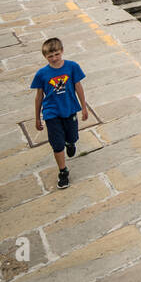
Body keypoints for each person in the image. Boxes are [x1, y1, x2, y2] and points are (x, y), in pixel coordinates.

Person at [30, 38, 90, 190]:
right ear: (45, 57)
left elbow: (78, 87)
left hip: (69, 109)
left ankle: (70, 142)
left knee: (72, 136)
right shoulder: (42, 74)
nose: (54, 58)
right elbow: (39, 97)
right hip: (51, 113)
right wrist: (37, 118)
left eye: (57, 54)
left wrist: (84, 107)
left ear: (62, 51)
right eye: (50, 56)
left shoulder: (72, 67)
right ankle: (63, 171)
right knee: (57, 144)